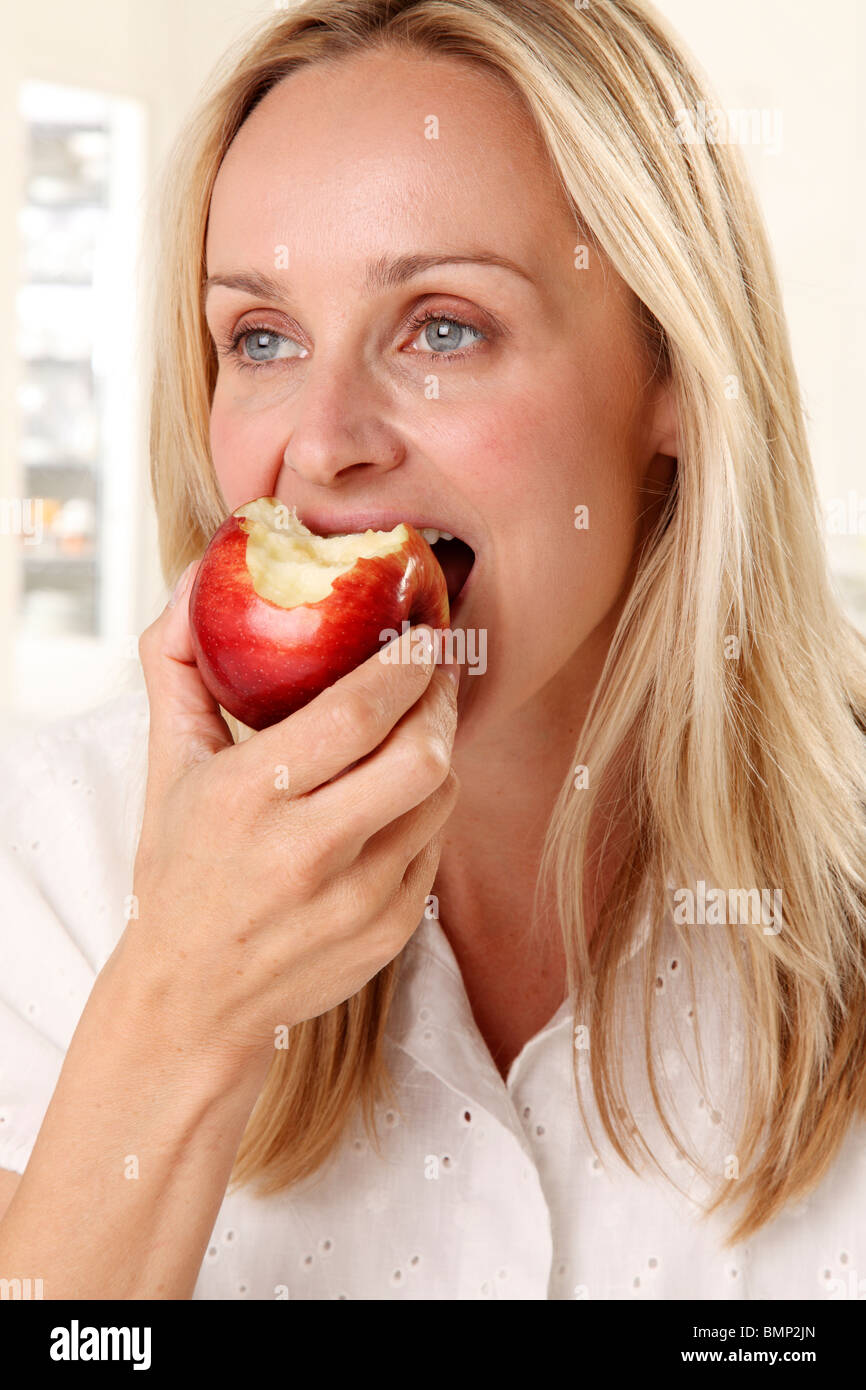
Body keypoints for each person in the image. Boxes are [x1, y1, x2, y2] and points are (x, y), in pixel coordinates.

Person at [1, 0, 865, 1301]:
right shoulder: (47, 864)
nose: (321, 437)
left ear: (674, 369)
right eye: (262, 339)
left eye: (441, 326)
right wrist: (177, 1013)